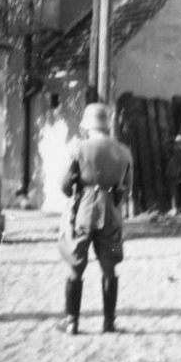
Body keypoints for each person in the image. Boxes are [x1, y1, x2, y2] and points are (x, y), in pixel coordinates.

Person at [58, 103, 132, 335]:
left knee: (75, 266)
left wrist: (76, 195)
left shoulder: (79, 147)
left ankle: (72, 322)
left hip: (85, 209)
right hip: (110, 211)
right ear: (107, 124)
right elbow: (126, 187)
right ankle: (108, 323)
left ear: (88, 125)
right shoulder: (123, 151)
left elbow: (65, 184)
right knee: (109, 268)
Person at [165, 132, 181, 216]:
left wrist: (172, 139)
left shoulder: (175, 148)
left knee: (174, 191)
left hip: (174, 171)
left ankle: (174, 208)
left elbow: (166, 144)